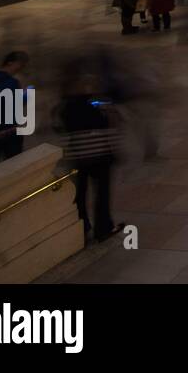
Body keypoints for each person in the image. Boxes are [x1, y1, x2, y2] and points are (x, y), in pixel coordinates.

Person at [54, 70, 123, 244]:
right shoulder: (97, 106)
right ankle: (103, 229)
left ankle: (81, 227)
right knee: (102, 194)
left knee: (80, 194)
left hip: (78, 156)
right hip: (99, 155)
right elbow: (109, 126)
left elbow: (61, 128)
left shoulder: (65, 108)